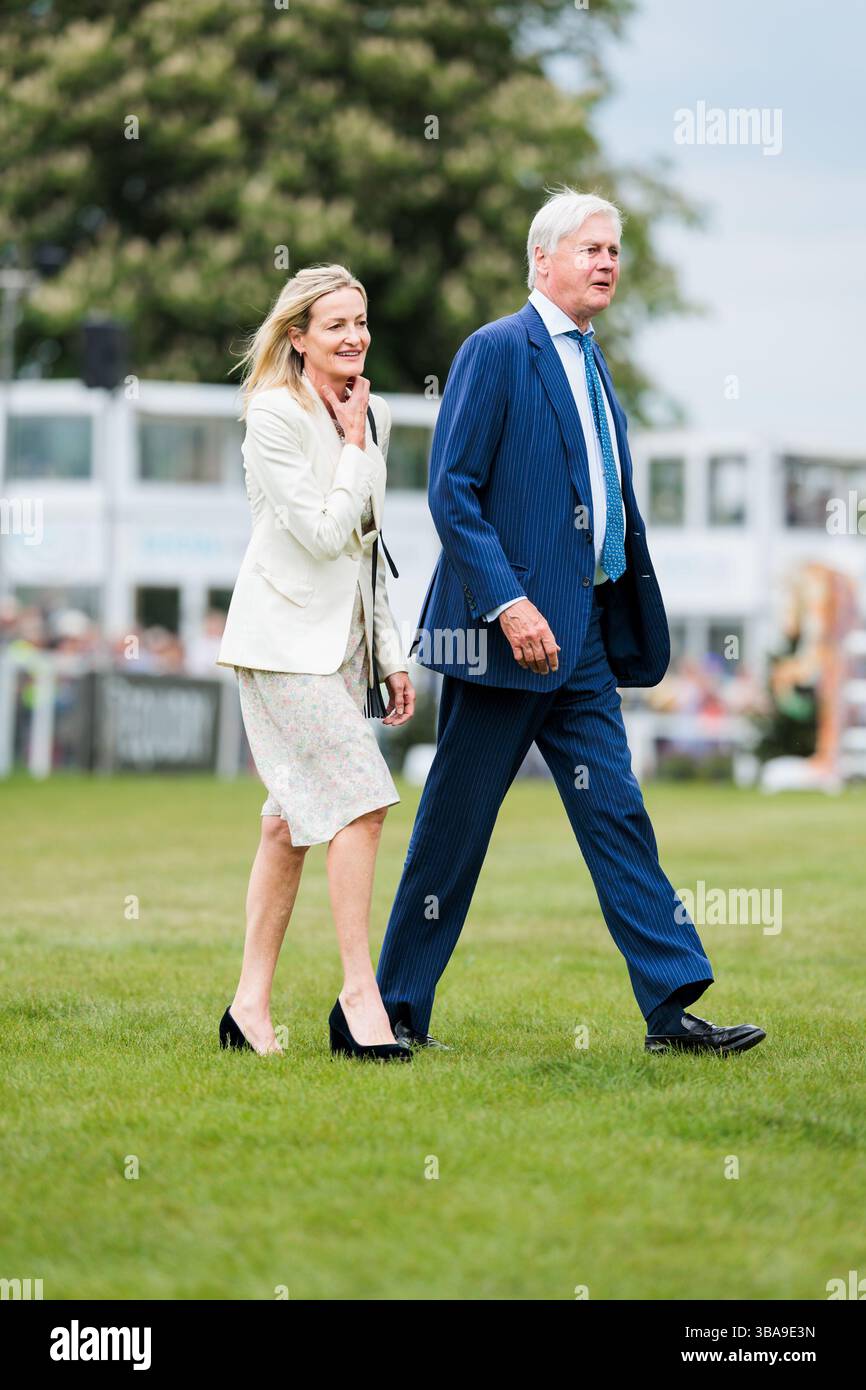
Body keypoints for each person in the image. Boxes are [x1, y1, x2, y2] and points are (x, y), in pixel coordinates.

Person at [376, 188, 766, 1057]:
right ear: (541, 260)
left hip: (582, 638)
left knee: (618, 812)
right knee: (454, 827)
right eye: (590, 249)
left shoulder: (592, 363)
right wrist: (509, 603)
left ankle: (670, 1010)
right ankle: (389, 1011)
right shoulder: (496, 350)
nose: (606, 263)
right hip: (501, 636)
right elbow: (453, 492)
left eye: (614, 251)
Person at [216, 264, 415, 1061]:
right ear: (297, 337)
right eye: (335, 324)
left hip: (337, 652)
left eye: (361, 321)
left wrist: (390, 654)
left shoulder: (378, 412)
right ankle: (359, 997)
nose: (355, 337)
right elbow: (323, 533)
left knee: (287, 826)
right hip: (277, 647)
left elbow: (367, 550)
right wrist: (357, 447)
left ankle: (248, 1010)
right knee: (363, 800)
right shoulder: (272, 415)